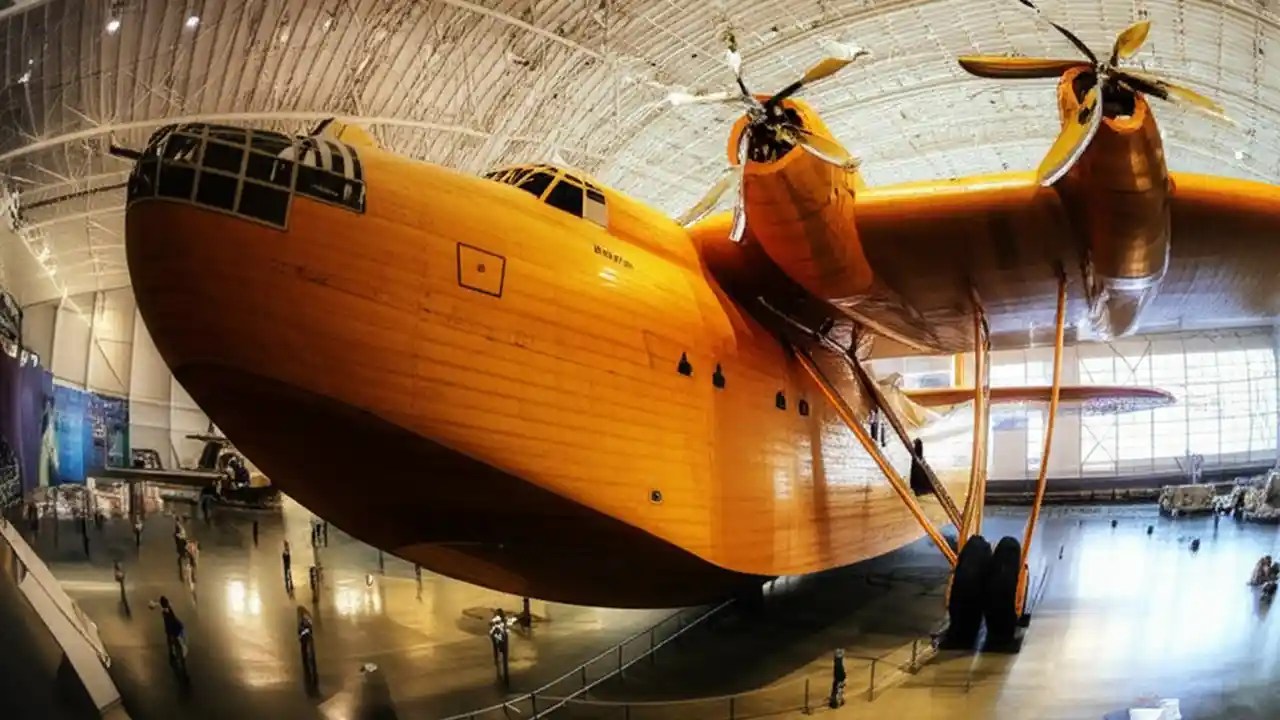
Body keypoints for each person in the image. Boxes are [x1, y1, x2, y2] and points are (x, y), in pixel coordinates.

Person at [150, 596, 187, 671]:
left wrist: (153, 604)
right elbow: (159, 604)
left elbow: (169, 622)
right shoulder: (168, 607)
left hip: (172, 628)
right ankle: (178, 653)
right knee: (177, 640)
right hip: (177, 626)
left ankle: (174, 654)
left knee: (171, 641)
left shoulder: (166, 611)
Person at [297, 606, 318, 686]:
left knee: (306, 652)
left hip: (306, 638)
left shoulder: (303, 620)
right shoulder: (307, 619)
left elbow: (301, 630)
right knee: (309, 653)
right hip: (307, 637)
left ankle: (308, 664)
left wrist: (301, 634)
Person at [489, 609, 511, 684]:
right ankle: (505, 672)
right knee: (504, 654)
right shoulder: (503, 621)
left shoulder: (495, 621)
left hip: (498, 638)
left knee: (496, 649)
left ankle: (497, 663)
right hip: (503, 639)